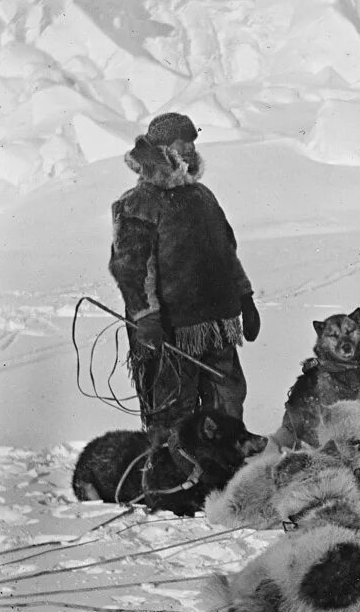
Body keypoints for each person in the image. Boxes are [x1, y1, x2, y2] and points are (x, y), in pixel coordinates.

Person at [109, 112, 260, 432]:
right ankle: (168, 476)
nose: (190, 150)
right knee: (172, 415)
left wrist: (245, 298)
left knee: (228, 404)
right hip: (171, 334)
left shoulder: (202, 197)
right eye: (182, 144)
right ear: (161, 151)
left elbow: (226, 253)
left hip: (219, 327)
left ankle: (226, 477)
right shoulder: (137, 203)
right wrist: (146, 318)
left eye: (192, 143)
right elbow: (131, 269)